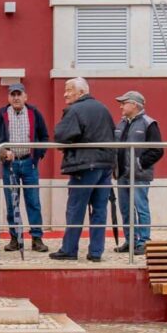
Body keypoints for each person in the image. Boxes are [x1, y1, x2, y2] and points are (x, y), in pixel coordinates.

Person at [50, 78, 117, 262]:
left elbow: (61, 135)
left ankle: (69, 249)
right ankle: (96, 252)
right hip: (105, 166)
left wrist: (68, 146)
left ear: (80, 92)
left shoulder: (74, 110)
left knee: (76, 209)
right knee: (100, 210)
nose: (65, 94)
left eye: (69, 90)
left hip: (85, 166)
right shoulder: (103, 108)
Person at [0, 83, 50, 253]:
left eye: (19, 94)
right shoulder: (1, 115)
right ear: (8, 97)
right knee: (11, 202)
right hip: (10, 165)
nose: (15, 98)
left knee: (34, 202)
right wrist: (2, 153)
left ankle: (37, 238)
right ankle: (15, 238)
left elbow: (44, 136)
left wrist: (39, 154)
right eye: (12, 95)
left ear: (25, 97)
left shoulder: (34, 113)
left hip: (30, 163)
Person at [112, 90, 164, 253]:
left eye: (124, 103)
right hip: (122, 175)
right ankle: (130, 240)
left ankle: (144, 242)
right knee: (125, 209)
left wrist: (139, 164)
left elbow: (157, 150)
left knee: (141, 207)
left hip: (139, 175)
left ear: (134, 104)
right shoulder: (121, 124)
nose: (121, 106)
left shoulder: (149, 123)